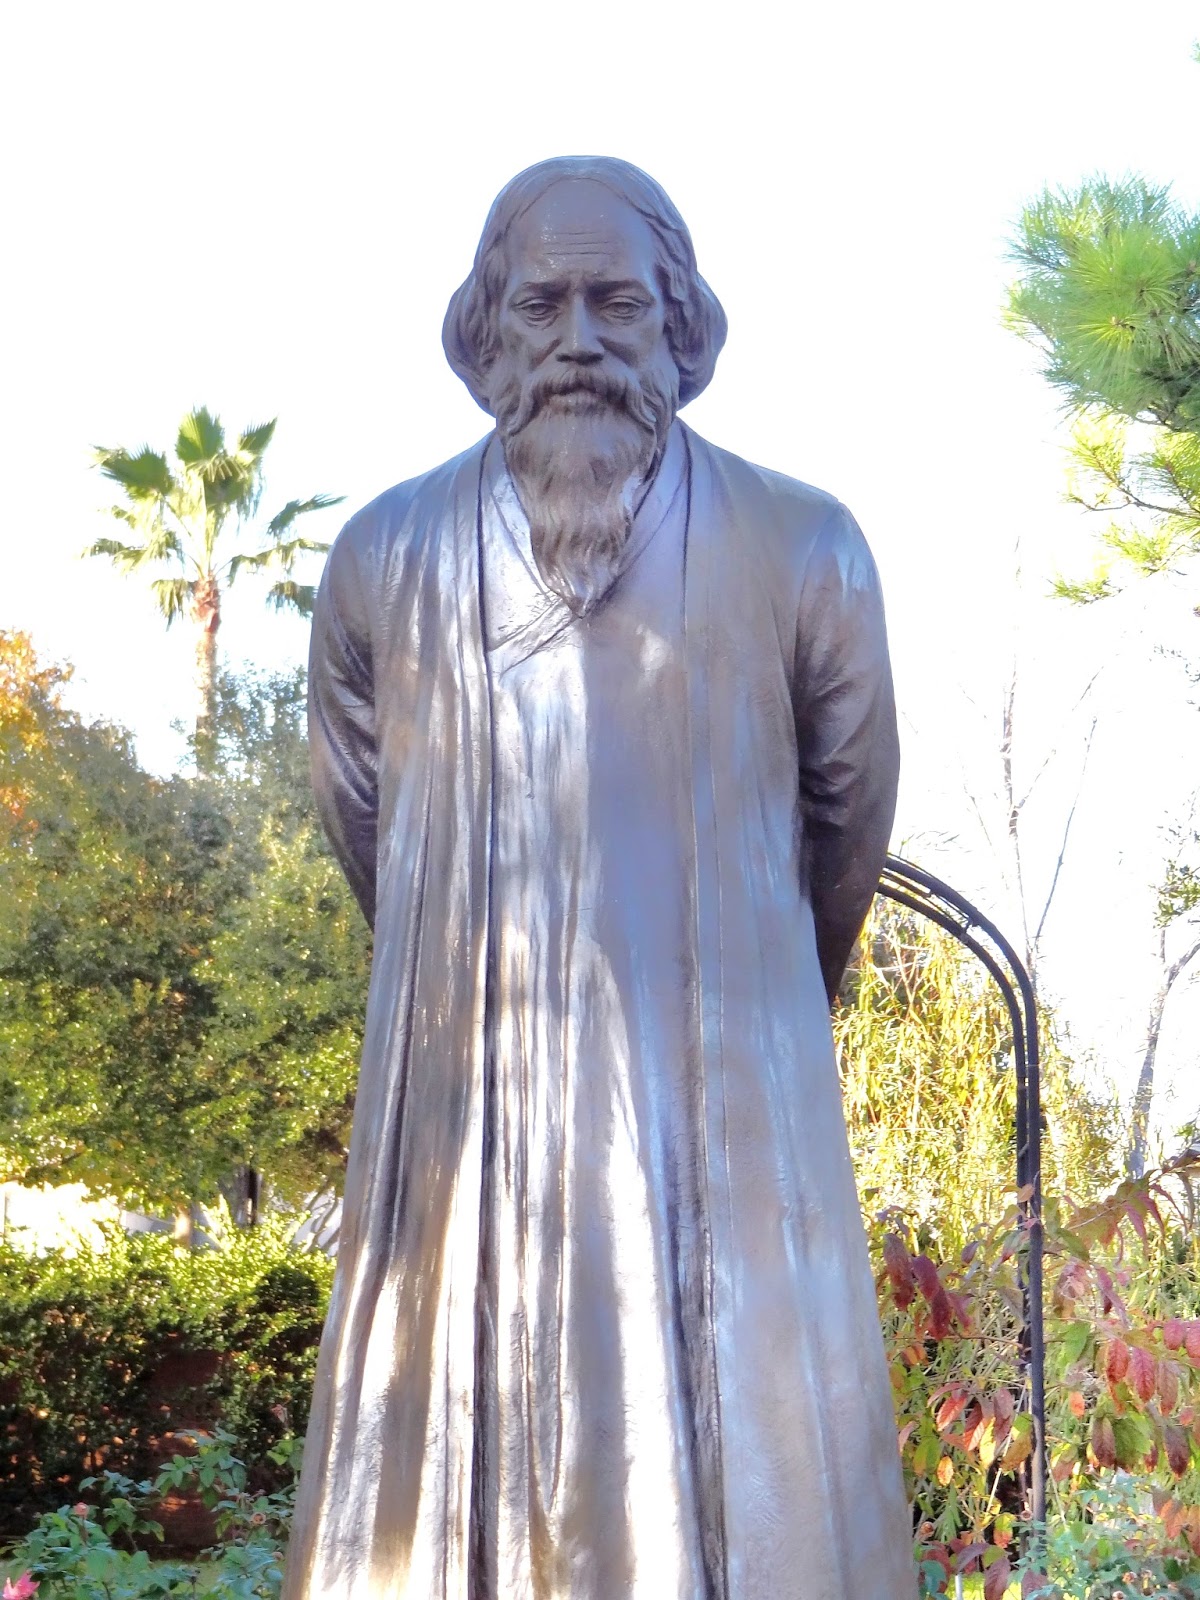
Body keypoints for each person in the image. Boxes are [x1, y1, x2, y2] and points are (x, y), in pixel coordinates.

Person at [284, 155, 916, 1600]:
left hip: (733, 1112)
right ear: (485, 336)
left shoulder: (806, 546)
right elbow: (366, 822)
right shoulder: (382, 558)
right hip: (461, 1114)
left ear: (682, 333)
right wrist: (469, 985)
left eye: (619, 304)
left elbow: (845, 826)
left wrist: (748, 1007)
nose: (579, 339)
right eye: (542, 303)